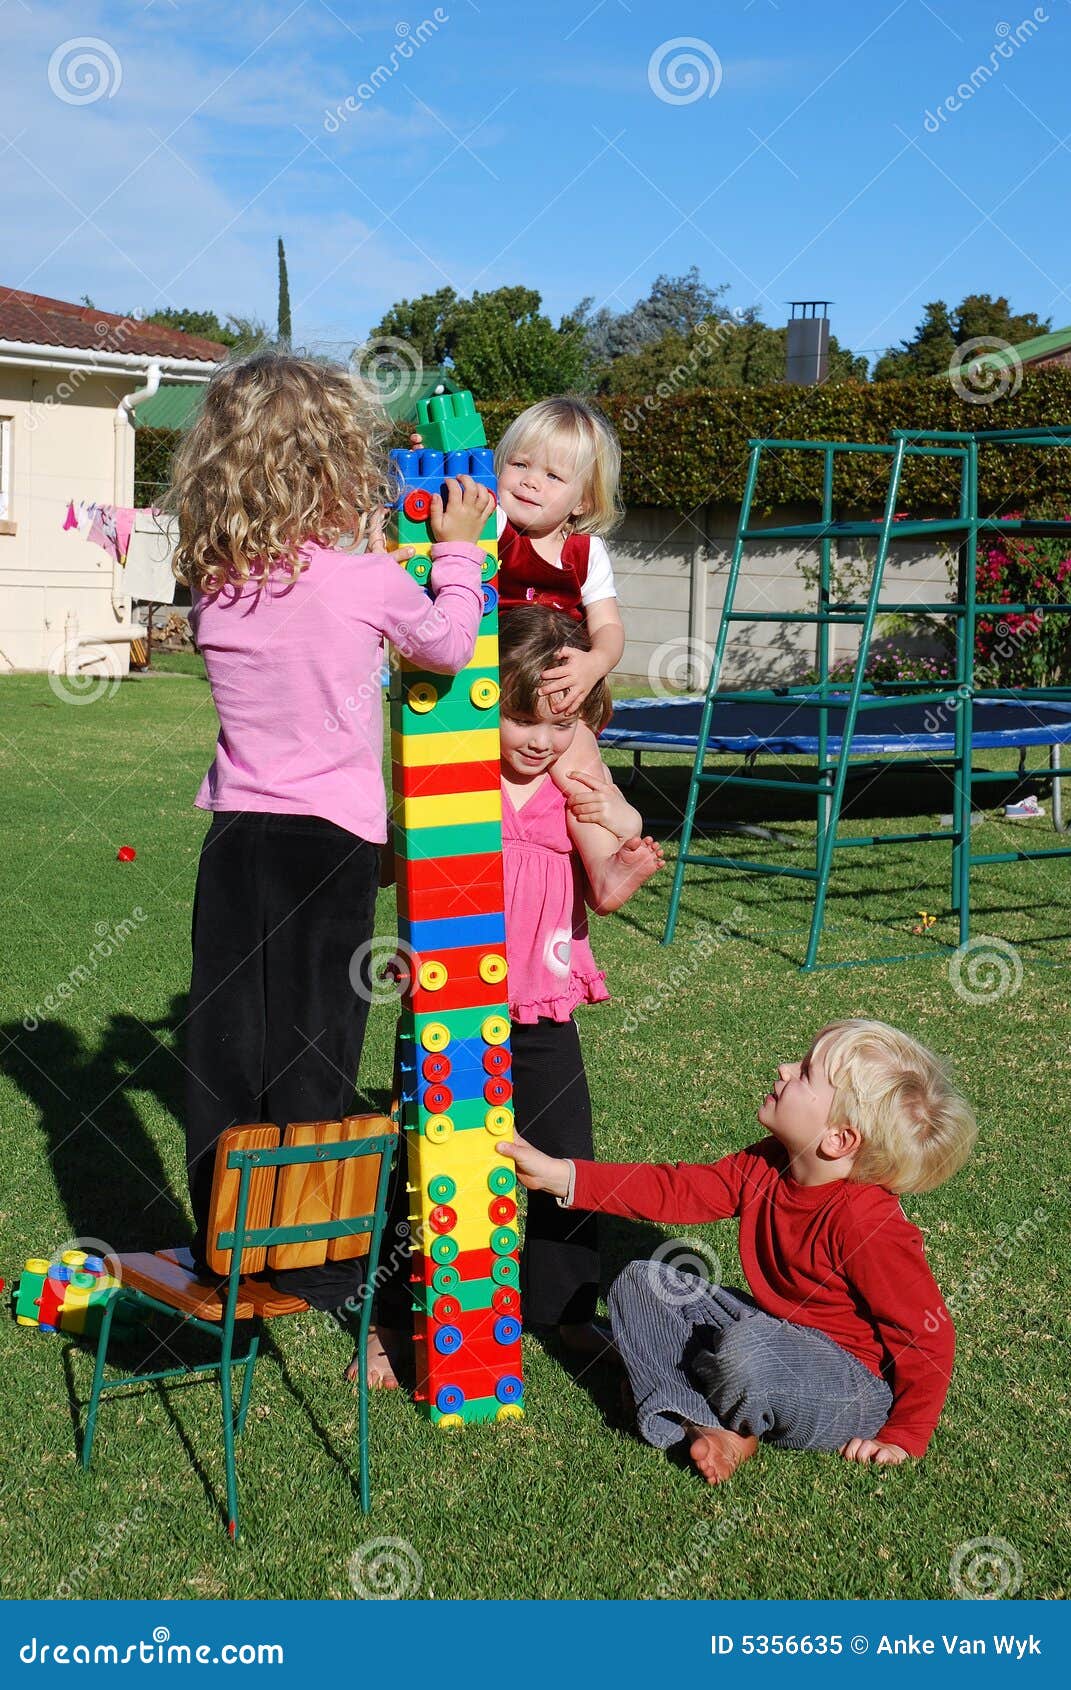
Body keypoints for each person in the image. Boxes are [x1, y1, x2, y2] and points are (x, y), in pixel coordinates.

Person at [167, 350, 494, 1362]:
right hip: (330, 845)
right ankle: (310, 1256)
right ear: (333, 470)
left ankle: (225, 1246)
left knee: (228, 1042)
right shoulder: (365, 582)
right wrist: (457, 550)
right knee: (315, 1039)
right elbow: (444, 643)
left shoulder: (216, 586)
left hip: (236, 844)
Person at [369, 607, 663, 1381]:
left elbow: (604, 885)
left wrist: (621, 838)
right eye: (521, 718)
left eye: (559, 723)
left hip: (540, 1000)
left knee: (566, 1154)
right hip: (450, 1003)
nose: (540, 739)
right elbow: (383, 864)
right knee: (426, 1162)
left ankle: (564, 1312)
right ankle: (397, 1321)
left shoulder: (571, 775)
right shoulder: (453, 771)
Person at [500, 1018, 977, 1482]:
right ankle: (709, 1420)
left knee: (748, 1350)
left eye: (806, 1073)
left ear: (838, 1138)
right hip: (771, 1335)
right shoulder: (768, 1161)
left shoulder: (866, 1222)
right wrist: (563, 1176)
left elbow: (926, 1332)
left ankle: (674, 1383)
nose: (786, 1069)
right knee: (640, 1281)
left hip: (847, 1387)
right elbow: (680, 1189)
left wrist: (905, 1434)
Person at [413, 396, 626, 717]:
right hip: (489, 691)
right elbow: (453, 491)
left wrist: (596, 663)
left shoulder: (586, 551)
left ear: (584, 502)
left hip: (559, 696)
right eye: (520, 464)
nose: (531, 481)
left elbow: (608, 624)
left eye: (553, 476)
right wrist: (430, 462)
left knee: (584, 766)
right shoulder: (492, 523)